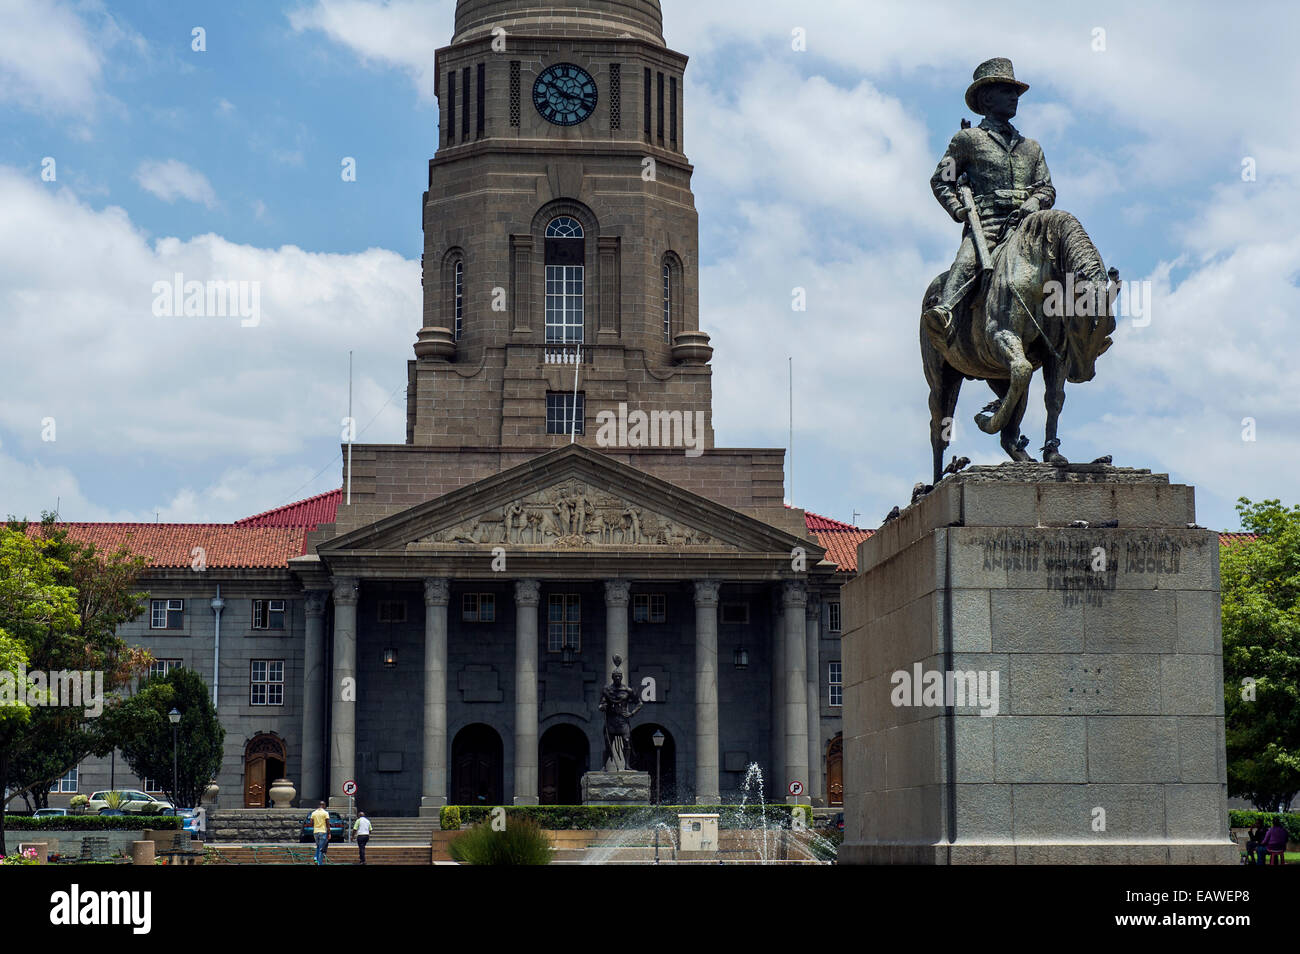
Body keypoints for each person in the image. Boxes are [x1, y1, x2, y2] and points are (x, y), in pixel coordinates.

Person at [925, 57, 1055, 345]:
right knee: (968, 260)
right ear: (987, 97)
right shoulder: (967, 140)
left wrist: (1035, 202)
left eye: (1015, 93)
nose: (1014, 98)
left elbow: (1047, 189)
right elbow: (941, 180)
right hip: (988, 225)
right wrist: (959, 209)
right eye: (1006, 91)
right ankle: (945, 313)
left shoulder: (1031, 148)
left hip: (1029, 226)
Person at [311, 801, 331, 866]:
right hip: (323, 831)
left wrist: (316, 825)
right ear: (323, 805)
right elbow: (327, 823)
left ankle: (315, 858)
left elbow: (311, 823)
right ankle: (319, 863)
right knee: (321, 848)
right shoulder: (325, 813)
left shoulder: (313, 813)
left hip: (315, 832)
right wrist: (329, 833)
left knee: (318, 846)